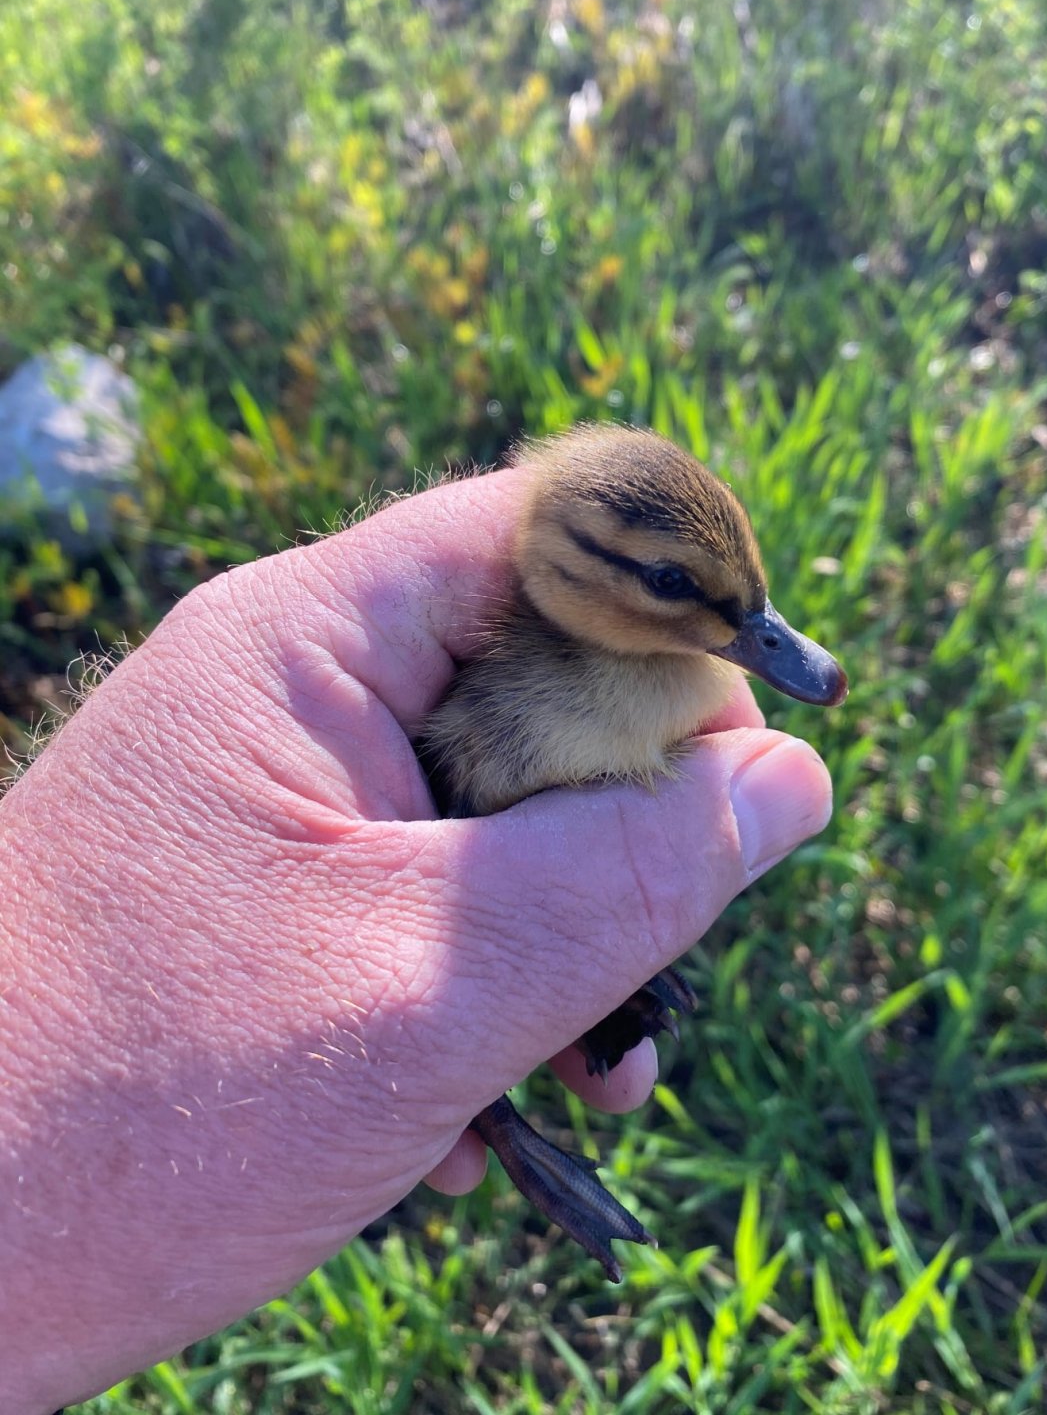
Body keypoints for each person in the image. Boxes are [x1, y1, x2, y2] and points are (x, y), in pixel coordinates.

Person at [0, 465, 833, 1414]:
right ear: (571, 567)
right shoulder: (526, 697)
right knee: (448, 992)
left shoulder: (669, 668)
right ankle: (504, 1124)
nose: (774, 647)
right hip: (419, 905)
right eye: (676, 585)